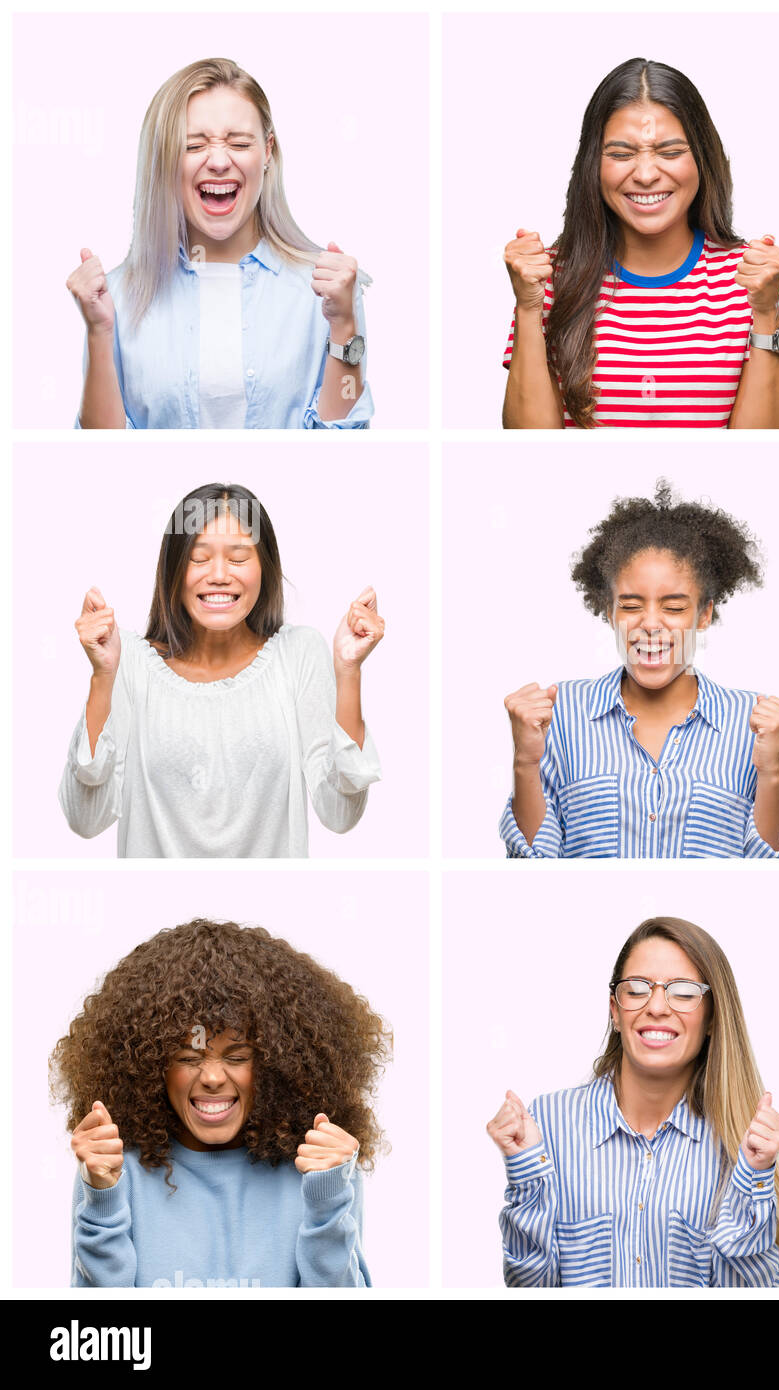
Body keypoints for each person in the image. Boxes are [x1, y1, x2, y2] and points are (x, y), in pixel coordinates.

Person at [52, 917, 389, 1287]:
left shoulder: (319, 1165)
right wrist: (101, 1198)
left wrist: (328, 1201)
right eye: (189, 1057)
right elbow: (104, 1342)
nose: (212, 1078)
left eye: (237, 1056)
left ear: (276, 1065)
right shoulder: (116, 1170)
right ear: (152, 1067)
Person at [58, 481, 384, 856]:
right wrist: (103, 676)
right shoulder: (128, 661)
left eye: (238, 558)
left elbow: (340, 813)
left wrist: (348, 671)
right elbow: (85, 818)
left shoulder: (298, 654)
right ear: (174, 569)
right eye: (198, 557)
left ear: (265, 567)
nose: (218, 575)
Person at [487, 916, 779, 1287]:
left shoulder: (741, 1138)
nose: (656, 1006)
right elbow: (529, 1287)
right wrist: (526, 1170)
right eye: (637, 989)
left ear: (712, 1019)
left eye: (684, 991)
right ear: (615, 1011)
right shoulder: (546, 1125)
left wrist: (753, 1175)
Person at [65, 58, 372, 429]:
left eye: (239, 143)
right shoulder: (116, 296)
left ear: (267, 152)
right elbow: (102, 463)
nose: (219, 161)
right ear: (164, 161)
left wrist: (343, 324)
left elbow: (343, 452)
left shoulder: (326, 289)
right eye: (193, 146)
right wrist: (99, 333)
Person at [500, 481, 779, 857]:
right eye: (630, 606)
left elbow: (770, 873)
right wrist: (525, 762)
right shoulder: (557, 713)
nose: (651, 624)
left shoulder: (757, 725)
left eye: (674, 608)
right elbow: (532, 867)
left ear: (704, 614)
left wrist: (771, 771)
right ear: (609, 611)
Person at [502, 58, 779, 428]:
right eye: (621, 154)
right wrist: (528, 308)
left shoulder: (749, 279)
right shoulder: (546, 276)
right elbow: (530, 455)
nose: (644, 175)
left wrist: (767, 313)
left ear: (702, 159)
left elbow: (761, 458)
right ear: (593, 163)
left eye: (671, 152)